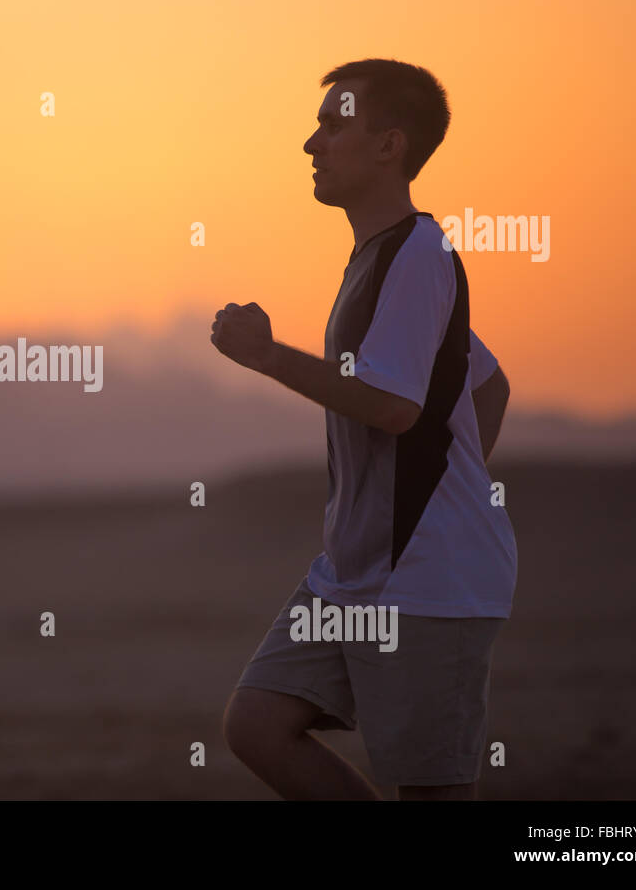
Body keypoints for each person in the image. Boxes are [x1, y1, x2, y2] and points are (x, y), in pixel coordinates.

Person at [210, 59, 517, 800]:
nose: (311, 144)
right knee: (257, 725)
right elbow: (488, 381)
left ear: (390, 145)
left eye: (332, 123)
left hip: (425, 584)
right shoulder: (381, 259)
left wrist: (264, 355)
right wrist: (445, 472)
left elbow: (392, 407)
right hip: (351, 576)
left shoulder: (419, 252)